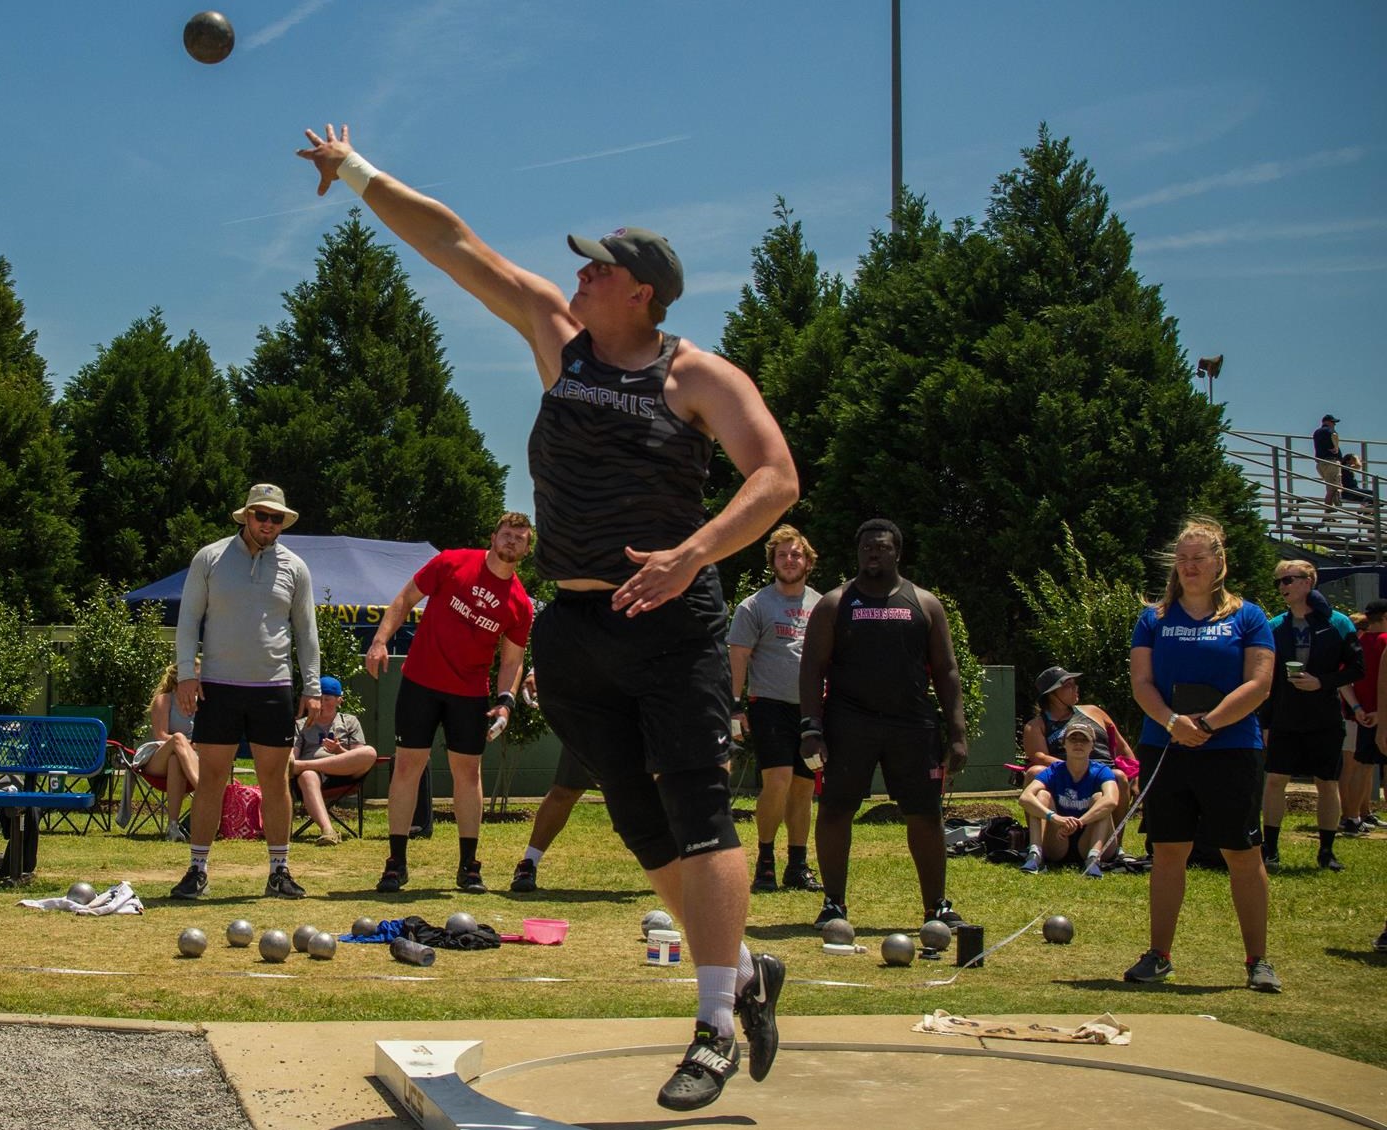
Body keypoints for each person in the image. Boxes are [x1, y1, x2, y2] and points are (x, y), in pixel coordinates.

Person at [298, 124, 796, 1111]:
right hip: (572, 631)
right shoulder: (555, 340)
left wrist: (692, 552)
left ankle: (708, 1028)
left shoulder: (695, 375)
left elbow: (775, 476)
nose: (574, 277)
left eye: (595, 270)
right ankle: (739, 966)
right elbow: (452, 243)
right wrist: (355, 174)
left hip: (673, 621)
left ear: (640, 290)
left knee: (697, 806)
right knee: (636, 815)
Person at [1124, 517, 1279, 992]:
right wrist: (1174, 722)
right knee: (1168, 850)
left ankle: (1257, 960)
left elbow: (1259, 684)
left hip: (1231, 749)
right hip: (1167, 746)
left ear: (1219, 563)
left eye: (1199, 558)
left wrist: (1208, 724)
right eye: (1183, 559)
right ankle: (1159, 954)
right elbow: (1141, 682)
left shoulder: (1247, 617)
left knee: (1240, 851)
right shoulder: (1154, 618)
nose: (1190, 567)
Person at [798, 520, 970, 934]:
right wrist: (810, 727)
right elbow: (811, 669)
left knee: (925, 815)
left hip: (912, 726)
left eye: (882, 548)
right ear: (857, 554)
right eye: (866, 549)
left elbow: (947, 671)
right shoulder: (835, 604)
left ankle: (936, 907)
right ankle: (833, 904)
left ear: (897, 553)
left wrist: (958, 733)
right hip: (849, 722)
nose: (874, 554)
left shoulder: (925, 604)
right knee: (837, 810)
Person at [364, 515, 534, 893]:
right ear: (492, 537)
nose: (511, 542)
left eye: (519, 539)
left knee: (468, 773)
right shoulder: (452, 562)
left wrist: (505, 701)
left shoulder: (520, 604)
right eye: (506, 534)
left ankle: (468, 867)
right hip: (420, 683)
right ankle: (396, 863)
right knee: (408, 765)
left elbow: (511, 661)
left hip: (469, 694)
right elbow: (404, 599)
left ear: (526, 550)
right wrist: (379, 641)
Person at [170, 483, 320, 901]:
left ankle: (280, 871)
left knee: (276, 779)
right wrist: (186, 675)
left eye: (276, 518)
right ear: (245, 516)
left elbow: (307, 633)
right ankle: (196, 869)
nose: (268, 524)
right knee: (211, 780)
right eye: (261, 516)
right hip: (218, 687)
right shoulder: (210, 558)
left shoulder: (296, 567)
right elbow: (188, 621)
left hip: (273, 689)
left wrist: (312, 685)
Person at [728, 525, 823, 894]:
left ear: (808, 561)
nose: (789, 560)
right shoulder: (754, 606)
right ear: (773, 562)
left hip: (812, 708)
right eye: (782, 555)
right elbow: (738, 657)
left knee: (803, 788)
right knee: (778, 781)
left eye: (795, 554)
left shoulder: (822, 605)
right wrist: (735, 706)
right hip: (767, 705)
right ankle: (765, 861)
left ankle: (797, 866)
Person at [1259, 560, 1363, 871]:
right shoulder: (1274, 626)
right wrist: (1264, 722)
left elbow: (1358, 669)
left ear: (1308, 582)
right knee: (1275, 779)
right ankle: (1271, 849)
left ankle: (1327, 851)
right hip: (1284, 717)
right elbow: (1265, 679)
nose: (1282, 587)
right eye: (1279, 581)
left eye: (1288, 580)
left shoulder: (1338, 623)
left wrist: (1322, 682)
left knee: (1327, 782)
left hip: (1325, 717)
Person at [1018, 666, 1134, 854]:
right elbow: (1038, 756)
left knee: (1119, 777)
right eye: (1068, 685)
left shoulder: (1093, 712)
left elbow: (1122, 746)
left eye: (1075, 684)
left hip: (1102, 773)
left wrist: (1136, 775)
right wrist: (1073, 766)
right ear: (1052, 694)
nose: (1076, 688)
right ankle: (1037, 844)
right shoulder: (1036, 725)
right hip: (1064, 774)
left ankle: (1114, 845)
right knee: (1034, 773)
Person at [508, 669, 598, 893]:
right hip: (596, 713)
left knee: (661, 790)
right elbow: (560, 635)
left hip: (644, 707)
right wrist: (535, 671)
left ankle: (681, 866)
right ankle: (528, 864)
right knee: (566, 789)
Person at [1018, 718, 1120, 876]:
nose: (1078, 744)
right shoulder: (1054, 770)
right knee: (1042, 795)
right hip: (1058, 840)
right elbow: (1025, 797)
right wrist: (1056, 818)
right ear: (1064, 744)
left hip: (1092, 838)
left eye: (1084, 740)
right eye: (1073, 739)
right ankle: (1035, 854)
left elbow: (1112, 800)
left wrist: (1079, 822)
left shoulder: (1101, 771)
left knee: (1100, 798)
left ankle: (1094, 859)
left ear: (1092, 745)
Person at [289, 675, 380, 845]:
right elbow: (292, 758)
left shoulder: (349, 722)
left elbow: (358, 757)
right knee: (307, 774)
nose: (322, 703)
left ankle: (306, 766)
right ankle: (328, 831)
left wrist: (339, 750)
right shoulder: (301, 725)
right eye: (319, 698)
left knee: (370, 753)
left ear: (339, 700)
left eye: (327, 699)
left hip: (344, 776)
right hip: (314, 778)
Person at [133, 663, 201, 842]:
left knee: (175, 761)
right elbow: (161, 735)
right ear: (181, 678)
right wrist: (189, 744)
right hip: (158, 759)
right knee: (177, 739)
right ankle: (204, 790)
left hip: (187, 760)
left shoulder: (201, 702)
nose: (199, 680)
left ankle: (173, 827)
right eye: (196, 676)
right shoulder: (164, 700)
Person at [1341, 600, 1387, 834]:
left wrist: (1357, 708)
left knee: (1361, 766)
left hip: (1362, 715)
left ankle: (1352, 817)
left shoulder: (1357, 644)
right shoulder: (1385, 642)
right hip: (1381, 715)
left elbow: (1342, 681)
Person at [1313, 414, 1342, 508]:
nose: (1334, 424)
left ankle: (1331, 509)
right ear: (1327, 422)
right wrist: (1336, 447)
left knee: (1331, 487)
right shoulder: (1329, 430)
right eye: (1333, 422)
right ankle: (1328, 511)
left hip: (1321, 463)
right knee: (1333, 488)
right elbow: (1334, 435)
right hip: (1331, 462)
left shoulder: (1317, 432)